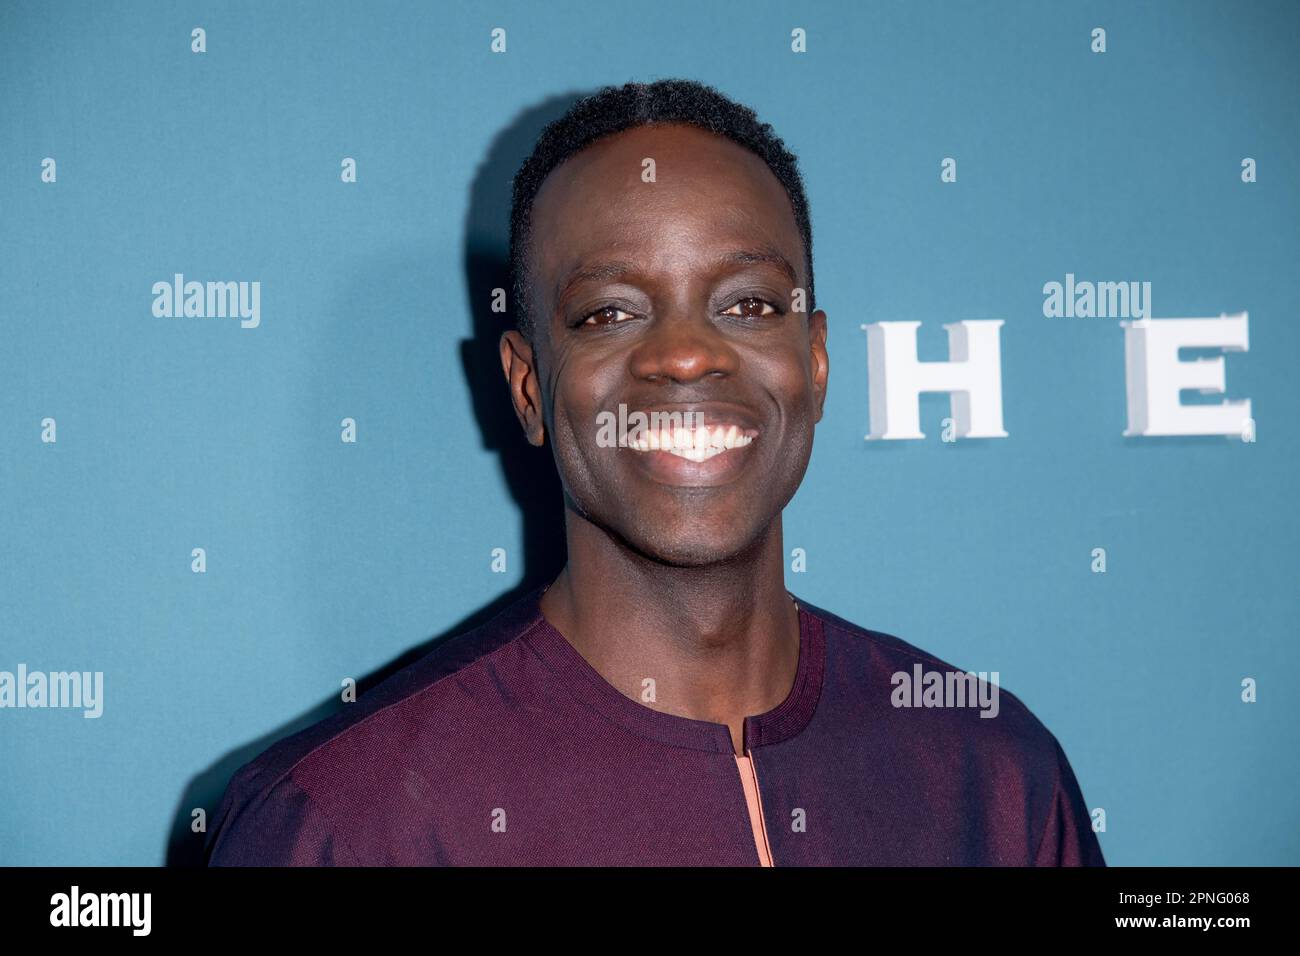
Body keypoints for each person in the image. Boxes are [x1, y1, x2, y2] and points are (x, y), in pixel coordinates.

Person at [205, 78, 1104, 866]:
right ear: (527, 387)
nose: (683, 356)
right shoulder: (342, 825)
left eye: (747, 304)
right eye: (607, 314)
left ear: (817, 363)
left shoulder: (991, 774)